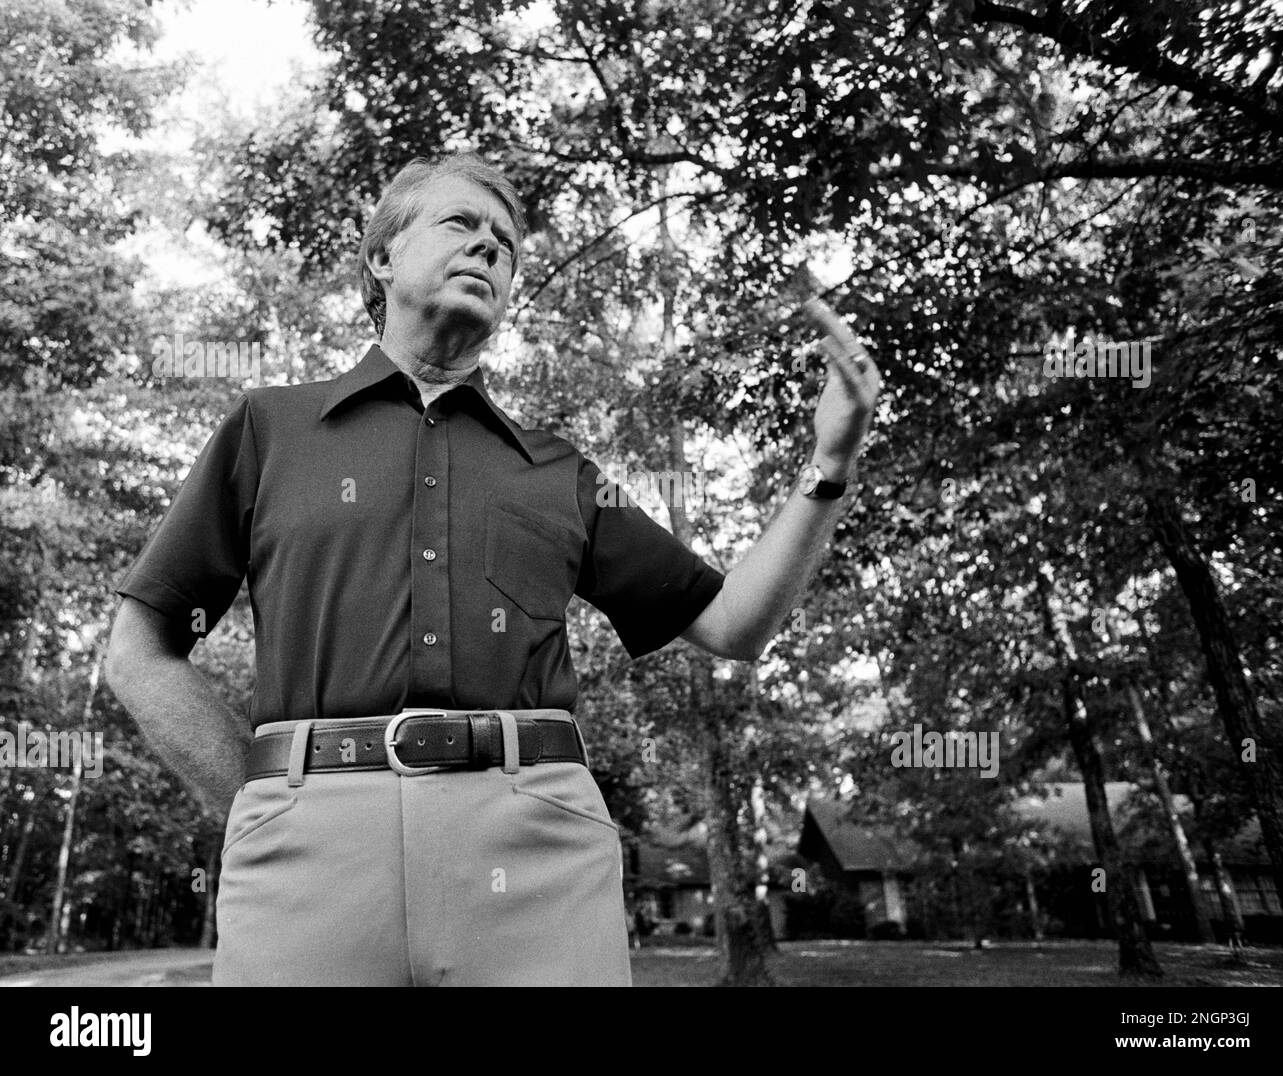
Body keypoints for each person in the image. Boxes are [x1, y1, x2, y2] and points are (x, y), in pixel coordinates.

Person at [105, 152, 880, 986]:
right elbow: (140, 650)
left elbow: (733, 624)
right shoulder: (269, 429)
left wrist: (827, 465)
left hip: (537, 858)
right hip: (303, 857)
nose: (488, 249)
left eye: (505, 245)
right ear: (382, 257)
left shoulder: (559, 472)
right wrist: (257, 806)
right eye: (460, 225)